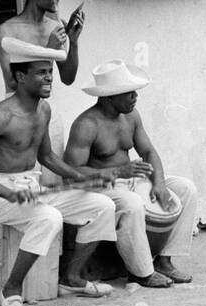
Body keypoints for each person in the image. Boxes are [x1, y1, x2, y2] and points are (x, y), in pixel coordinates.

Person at [0, 38, 117, 306]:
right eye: (42, 72)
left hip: (31, 189)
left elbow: (46, 157)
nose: (50, 78)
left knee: (103, 206)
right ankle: (10, 289)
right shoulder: (1, 116)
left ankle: (72, 279)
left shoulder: (43, 110)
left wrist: (80, 178)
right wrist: (9, 193)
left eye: (50, 71)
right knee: (49, 217)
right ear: (21, 77)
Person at [64, 60, 199, 287]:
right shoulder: (87, 124)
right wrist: (118, 171)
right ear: (109, 97)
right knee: (132, 203)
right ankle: (142, 272)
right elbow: (71, 173)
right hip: (101, 186)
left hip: (132, 178)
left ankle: (164, 260)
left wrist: (160, 183)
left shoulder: (131, 116)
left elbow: (149, 151)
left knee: (187, 189)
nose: (135, 97)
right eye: (129, 93)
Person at [0, 0, 85, 90]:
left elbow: (67, 79)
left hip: (41, 107)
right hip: (16, 108)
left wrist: (73, 42)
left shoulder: (55, 27)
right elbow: (12, 83)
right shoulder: (7, 30)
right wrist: (49, 50)